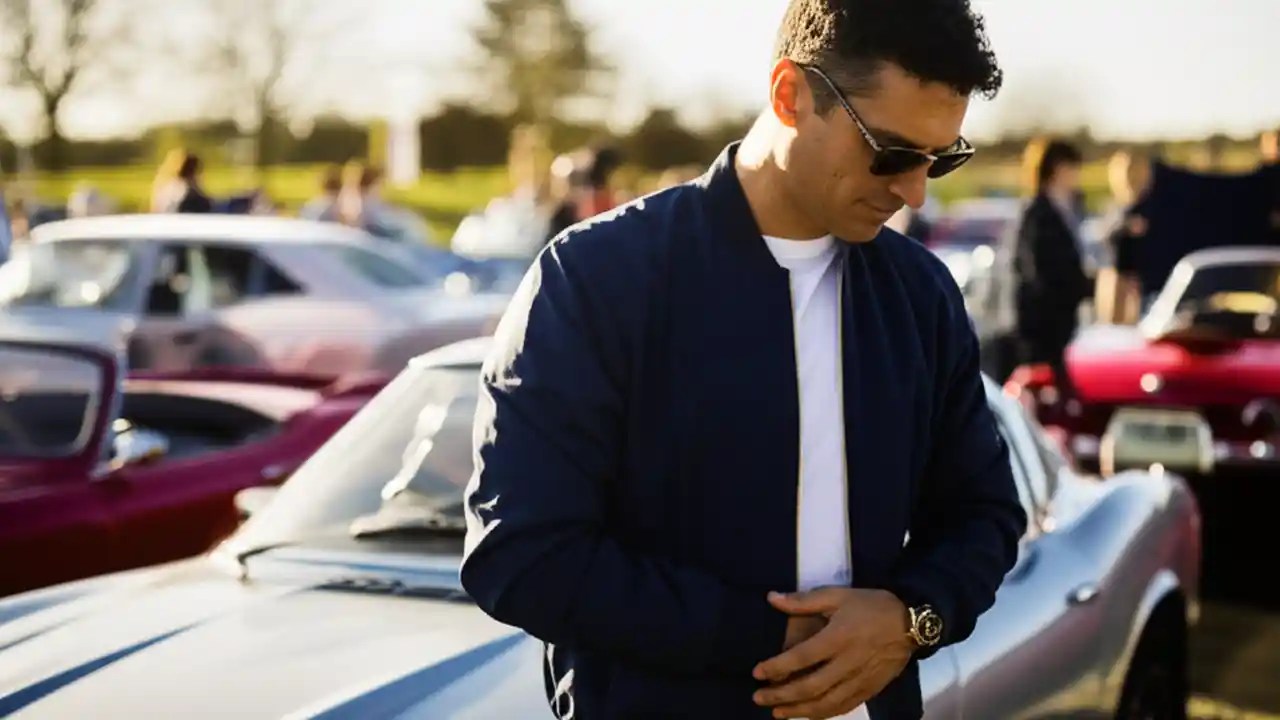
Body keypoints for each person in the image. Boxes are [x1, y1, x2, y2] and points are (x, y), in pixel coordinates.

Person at [460, 1, 1025, 718]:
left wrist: (913, 616)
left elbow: (984, 513)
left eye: (942, 159)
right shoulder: (597, 278)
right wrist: (767, 636)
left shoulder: (919, 294)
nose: (914, 190)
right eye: (891, 152)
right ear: (791, 95)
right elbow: (521, 555)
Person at [1011, 138, 1090, 400]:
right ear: (1057, 168)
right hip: (1042, 328)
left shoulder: (1067, 208)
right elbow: (1039, 273)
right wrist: (1086, 286)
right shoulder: (1037, 213)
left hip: (1060, 323)